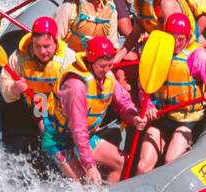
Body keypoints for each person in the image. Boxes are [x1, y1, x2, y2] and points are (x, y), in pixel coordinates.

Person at [42, 35, 155, 183]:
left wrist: (134, 117)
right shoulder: (75, 86)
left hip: (85, 137)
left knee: (123, 163)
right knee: (87, 184)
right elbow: (78, 129)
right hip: (59, 140)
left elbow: (124, 102)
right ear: (90, 61)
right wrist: (90, 166)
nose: (107, 70)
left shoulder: (108, 76)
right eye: (102, 66)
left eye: (110, 65)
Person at [135, 14, 206, 174]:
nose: (176, 43)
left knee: (170, 161)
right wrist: (148, 107)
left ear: (188, 38)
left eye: (180, 39)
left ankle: (196, 156)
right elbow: (144, 89)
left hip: (188, 121)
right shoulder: (156, 54)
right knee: (142, 166)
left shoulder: (198, 56)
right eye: (172, 38)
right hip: (162, 118)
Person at [0, 17, 74, 133]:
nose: (42, 52)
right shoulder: (18, 58)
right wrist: (14, 88)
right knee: (45, 127)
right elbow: (5, 82)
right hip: (36, 107)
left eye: (46, 46)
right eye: (37, 46)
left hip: (62, 107)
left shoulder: (68, 59)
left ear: (56, 41)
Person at [55, 0, 119, 54]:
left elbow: (112, 43)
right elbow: (56, 39)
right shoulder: (69, 6)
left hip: (98, 60)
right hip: (70, 58)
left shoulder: (111, 12)